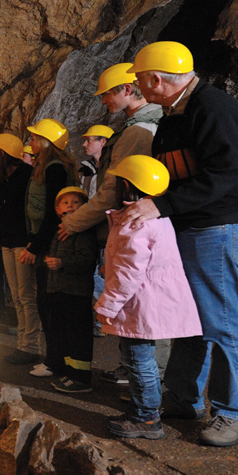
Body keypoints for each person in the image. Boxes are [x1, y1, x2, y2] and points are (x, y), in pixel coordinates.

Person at [121, 41, 238, 447]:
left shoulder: (212, 108)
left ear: (157, 79)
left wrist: (162, 205)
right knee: (189, 321)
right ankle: (183, 397)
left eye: (141, 81)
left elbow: (225, 174)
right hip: (188, 227)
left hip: (213, 228)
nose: (140, 88)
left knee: (222, 321)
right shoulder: (174, 114)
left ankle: (232, 412)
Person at [58, 63, 168, 384]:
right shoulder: (144, 126)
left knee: (140, 310)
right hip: (136, 228)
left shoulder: (138, 132)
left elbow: (112, 192)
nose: (103, 100)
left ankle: (147, 384)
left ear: (127, 90)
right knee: (138, 308)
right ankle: (136, 372)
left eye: (107, 93)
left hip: (132, 231)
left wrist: (74, 223)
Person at [98, 156, 202, 440]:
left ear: (126, 185)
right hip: (149, 301)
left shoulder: (136, 222)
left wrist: (107, 305)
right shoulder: (157, 218)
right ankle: (145, 408)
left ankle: (146, 417)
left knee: (137, 357)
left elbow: (129, 272)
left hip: (140, 304)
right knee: (142, 357)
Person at [20, 118, 77, 378]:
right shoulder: (48, 166)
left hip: (51, 243)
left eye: (34, 138)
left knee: (49, 302)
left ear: (47, 141)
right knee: (47, 301)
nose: (31, 142)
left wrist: (36, 245)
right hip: (47, 241)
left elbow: (52, 214)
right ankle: (56, 358)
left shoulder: (54, 169)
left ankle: (56, 361)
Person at [0, 133, 40, 365]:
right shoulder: (4, 178)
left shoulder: (27, 176)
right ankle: (22, 345)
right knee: (17, 297)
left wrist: (32, 241)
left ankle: (30, 346)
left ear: (3, 153)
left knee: (26, 296)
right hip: (8, 243)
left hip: (22, 242)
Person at [43, 186, 99, 393]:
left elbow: (86, 260)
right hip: (59, 290)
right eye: (66, 203)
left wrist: (62, 262)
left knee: (78, 335)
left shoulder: (83, 231)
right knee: (65, 333)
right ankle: (71, 373)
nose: (71, 206)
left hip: (76, 292)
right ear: (58, 209)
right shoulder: (60, 230)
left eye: (76, 202)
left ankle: (82, 377)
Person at [79, 125, 113, 198]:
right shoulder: (84, 171)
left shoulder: (115, 170)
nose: (84, 144)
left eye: (88, 140)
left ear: (103, 142)